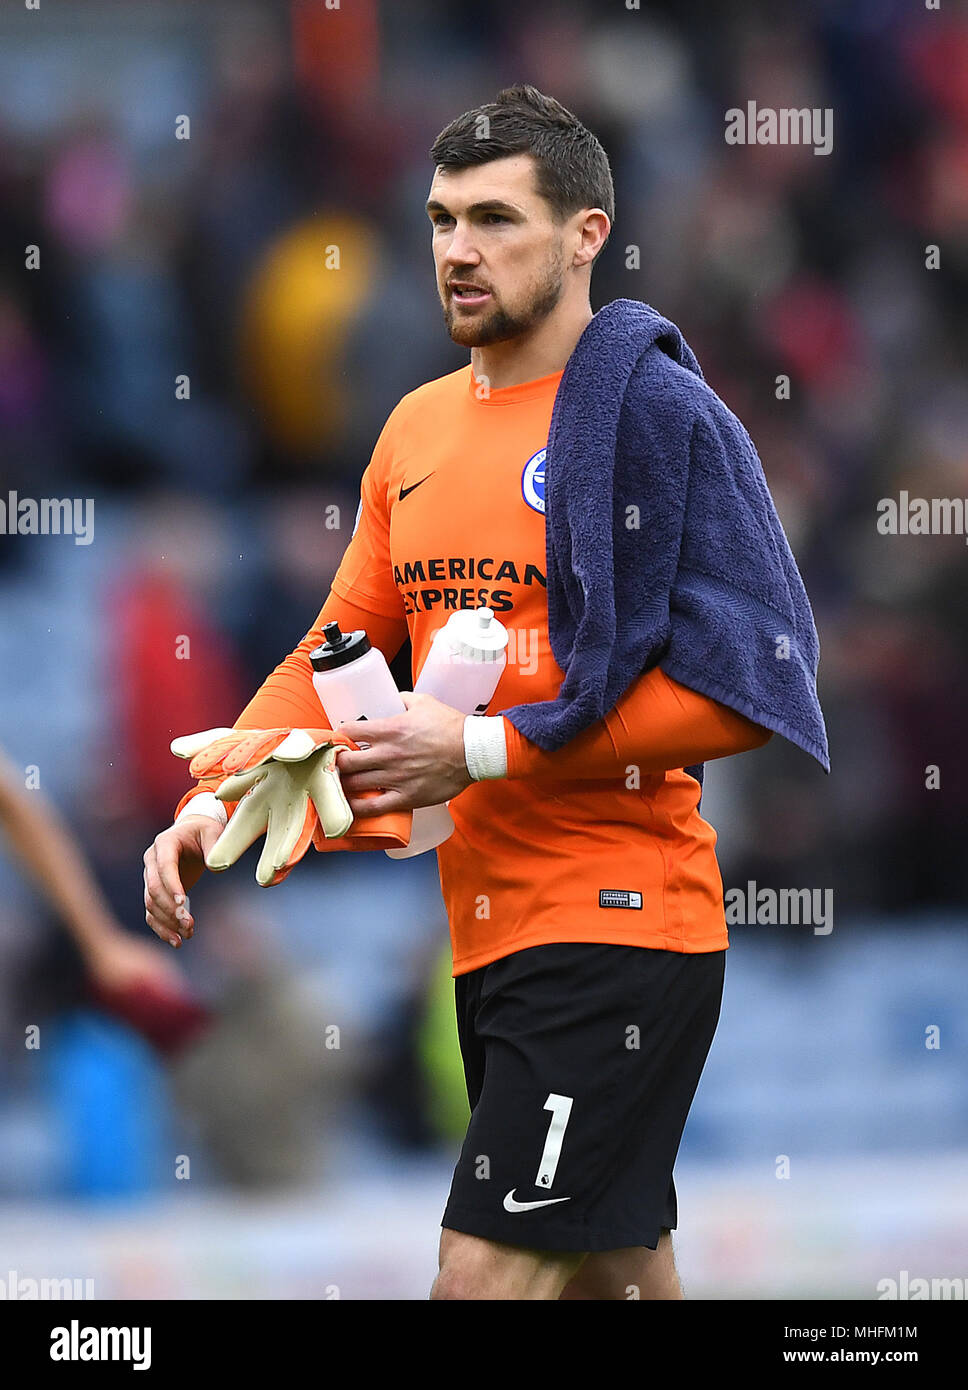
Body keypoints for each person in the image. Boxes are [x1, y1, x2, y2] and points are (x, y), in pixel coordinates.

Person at [144, 85, 780, 1299]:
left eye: (493, 218)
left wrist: (484, 751)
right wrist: (211, 797)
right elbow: (333, 652)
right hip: (487, 936)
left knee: (477, 1274)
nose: (458, 250)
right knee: (608, 1279)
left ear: (585, 232)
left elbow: (745, 689)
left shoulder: (654, 416)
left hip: (616, 922)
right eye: (440, 221)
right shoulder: (414, 429)